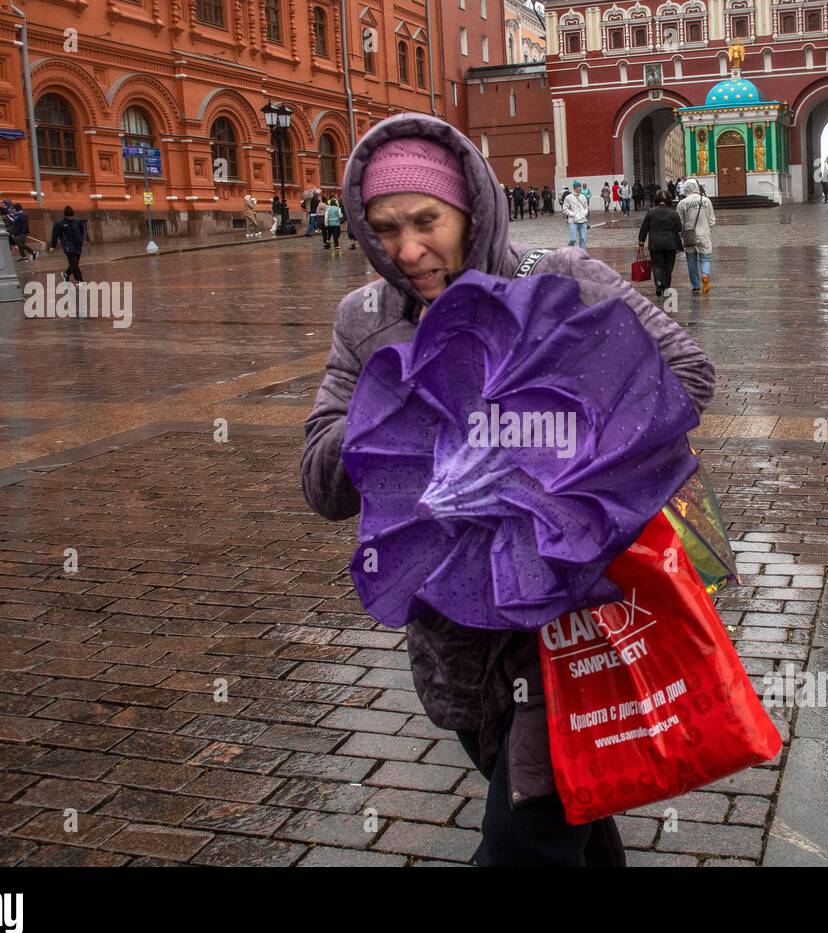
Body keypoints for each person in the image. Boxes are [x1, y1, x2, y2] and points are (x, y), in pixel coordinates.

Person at [299, 113, 715, 867]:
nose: (408, 250)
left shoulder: (559, 279)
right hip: (459, 645)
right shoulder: (366, 322)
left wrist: (543, 440)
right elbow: (322, 485)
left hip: (575, 630)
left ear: (473, 208)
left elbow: (687, 377)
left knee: (522, 847)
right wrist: (398, 418)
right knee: (574, 824)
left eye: (427, 222)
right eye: (385, 228)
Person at [637, 190, 683, 299]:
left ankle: (658, 283)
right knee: (668, 266)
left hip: (655, 243)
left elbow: (644, 228)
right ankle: (666, 287)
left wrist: (641, 242)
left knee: (657, 265)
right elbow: (679, 228)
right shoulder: (673, 213)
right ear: (669, 199)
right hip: (670, 244)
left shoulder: (651, 212)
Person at [676, 179, 716, 296]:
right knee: (705, 259)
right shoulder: (706, 201)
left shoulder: (682, 203)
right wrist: (708, 228)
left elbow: (679, 223)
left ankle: (695, 285)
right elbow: (712, 220)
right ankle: (705, 275)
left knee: (691, 260)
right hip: (704, 235)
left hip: (689, 236)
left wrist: (681, 233)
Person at [49, 205, 86, 282]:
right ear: (65, 215)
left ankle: (66, 273)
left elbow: (82, 230)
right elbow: (55, 235)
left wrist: (82, 238)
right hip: (68, 246)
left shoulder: (77, 221)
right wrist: (52, 246)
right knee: (74, 265)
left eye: (72, 216)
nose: (70, 218)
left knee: (74, 264)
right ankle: (80, 281)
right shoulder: (59, 224)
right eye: (69, 217)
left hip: (78, 245)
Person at [562, 180, 589, 248]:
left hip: (583, 221)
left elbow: (586, 208)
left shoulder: (583, 197)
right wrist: (573, 214)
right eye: (579, 187)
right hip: (573, 221)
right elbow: (565, 209)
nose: (580, 188)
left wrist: (584, 213)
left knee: (583, 239)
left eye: (580, 186)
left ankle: (582, 255)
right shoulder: (568, 197)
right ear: (575, 188)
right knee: (573, 239)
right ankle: (568, 251)